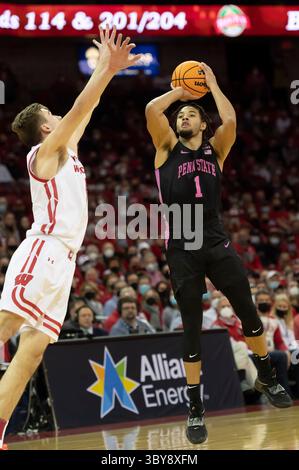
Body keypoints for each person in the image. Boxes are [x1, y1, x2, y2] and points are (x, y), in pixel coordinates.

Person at [0, 26, 141, 450]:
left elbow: (87, 106)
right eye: (55, 116)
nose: (64, 117)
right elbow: (81, 106)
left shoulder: (67, 151)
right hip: (42, 251)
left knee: (33, 350)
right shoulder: (43, 156)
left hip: (64, 261)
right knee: (5, 323)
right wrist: (106, 68)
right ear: (46, 128)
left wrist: (106, 69)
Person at [145, 63, 293, 445]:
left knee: (247, 307)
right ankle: (195, 408)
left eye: (191, 113)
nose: (184, 116)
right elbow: (151, 111)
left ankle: (267, 376)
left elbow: (230, 117)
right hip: (181, 246)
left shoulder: (217, 149)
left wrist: (210, 83)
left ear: (203, 124)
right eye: (180, 115)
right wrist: (181, 92)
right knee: (192, 326)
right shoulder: (166, 148)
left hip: (214, 238)